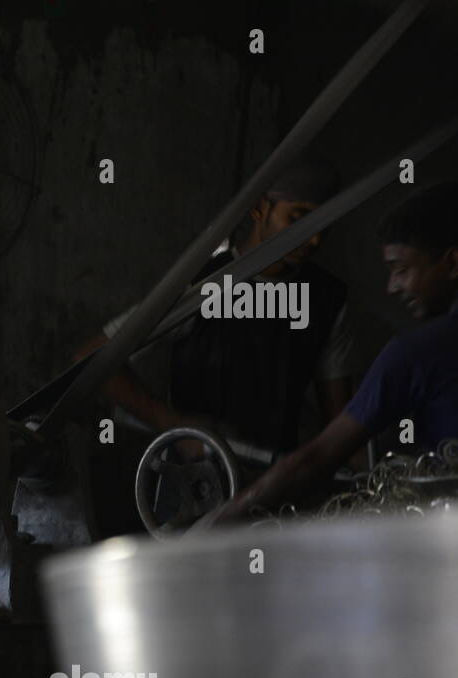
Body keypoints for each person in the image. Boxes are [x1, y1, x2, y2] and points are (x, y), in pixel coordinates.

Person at [208, 182, 458, 525]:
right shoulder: (210, 285)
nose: (392, 287)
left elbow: (315, 460)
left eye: (400, 270)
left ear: (452, 262)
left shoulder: (415, 354)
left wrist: (212, 527)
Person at [75, 156, 356, 455]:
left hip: (279, 486)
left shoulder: (328, 299)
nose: (314, 239)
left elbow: (340, 426)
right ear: (259, 208)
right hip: (194, 482)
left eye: (324, 225)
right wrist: (172, 424)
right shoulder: (203, 287)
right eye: (298, 218)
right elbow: (92, 357)